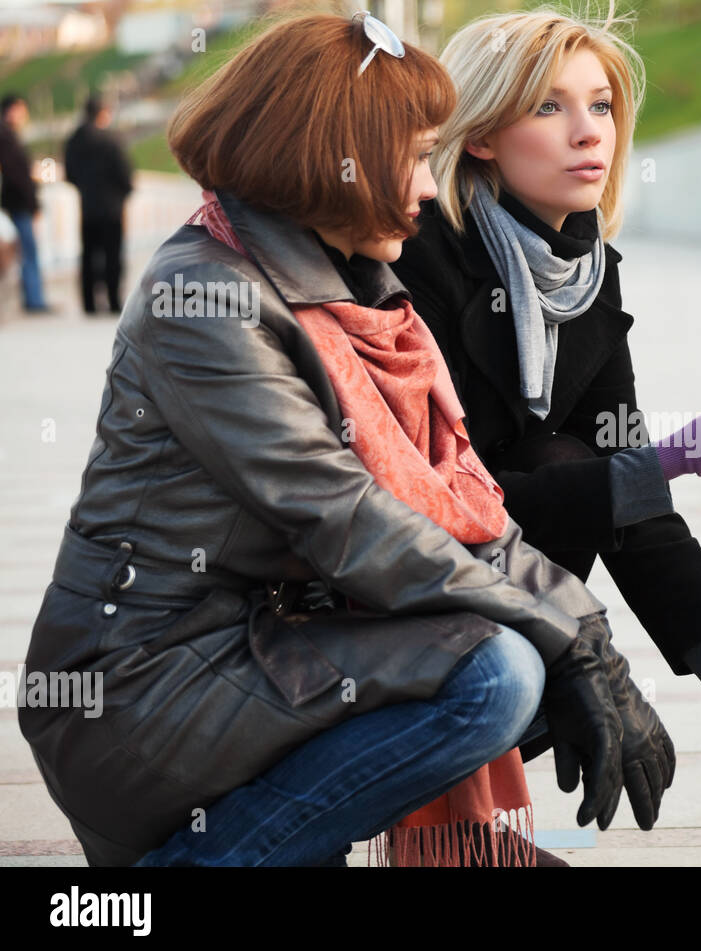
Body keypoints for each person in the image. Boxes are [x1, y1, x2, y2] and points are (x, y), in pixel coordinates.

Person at [18, 10, 647, 868]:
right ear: (332, 155)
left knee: (543, 661)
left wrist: (592, 638)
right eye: (415, 155)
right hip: (141, 689)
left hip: (256, 649)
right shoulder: (205, 299)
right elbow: (348, 520)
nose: (430, 187)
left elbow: (465, 509)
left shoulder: (359, 293)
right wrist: (560, 639)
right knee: (497, 673)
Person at [388, 1, 701, 838]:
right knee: (561, 457)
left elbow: (626, 499)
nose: (589, 133)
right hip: (393, 567)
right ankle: (439, 814)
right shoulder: (420, 255)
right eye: (550, 106)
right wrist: (680, 454)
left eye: (601, 105)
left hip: (495, 558)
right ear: (479, 136)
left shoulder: (586, 270)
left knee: (575, 454)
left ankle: (454, 821)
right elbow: (446, 498)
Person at [64, 93, 134, 316]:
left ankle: (89, 304)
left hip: (88, 206)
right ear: (102, 113)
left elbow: (70, 174)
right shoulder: (111, 139)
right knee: (113, 255)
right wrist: (124, 191)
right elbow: (124, 173)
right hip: (112, 206)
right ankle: (113, 301)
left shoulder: (73, 140)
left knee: (88, 255)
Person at [0, 93, 53, 314]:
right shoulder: (6, 136)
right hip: (18, 204)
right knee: (28, 251)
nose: (24, 115)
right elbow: (17, 175)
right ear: (11, 110)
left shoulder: (8, 135)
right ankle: (34, 299)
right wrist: (33, 204)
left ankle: (34, 297)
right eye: (21, 109)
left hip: (15, 203)